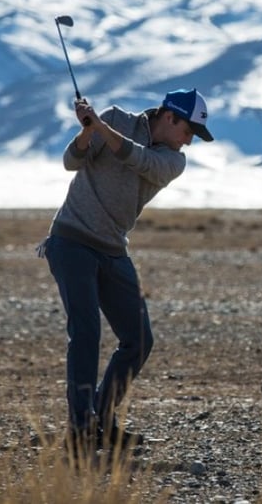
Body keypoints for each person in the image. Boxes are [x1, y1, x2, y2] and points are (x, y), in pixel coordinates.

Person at [38, 88, 214, 454]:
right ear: (170, 118)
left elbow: (136, 159)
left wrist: (99, 126)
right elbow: (72, 161)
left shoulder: (172, 161)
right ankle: (81, 429)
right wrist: (88, 130)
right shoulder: (116, 119)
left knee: (138, 340)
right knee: (86, 333)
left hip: (113, 249)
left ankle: (101, 418)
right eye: (188, 132)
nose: (189, 142)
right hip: (71, 240)